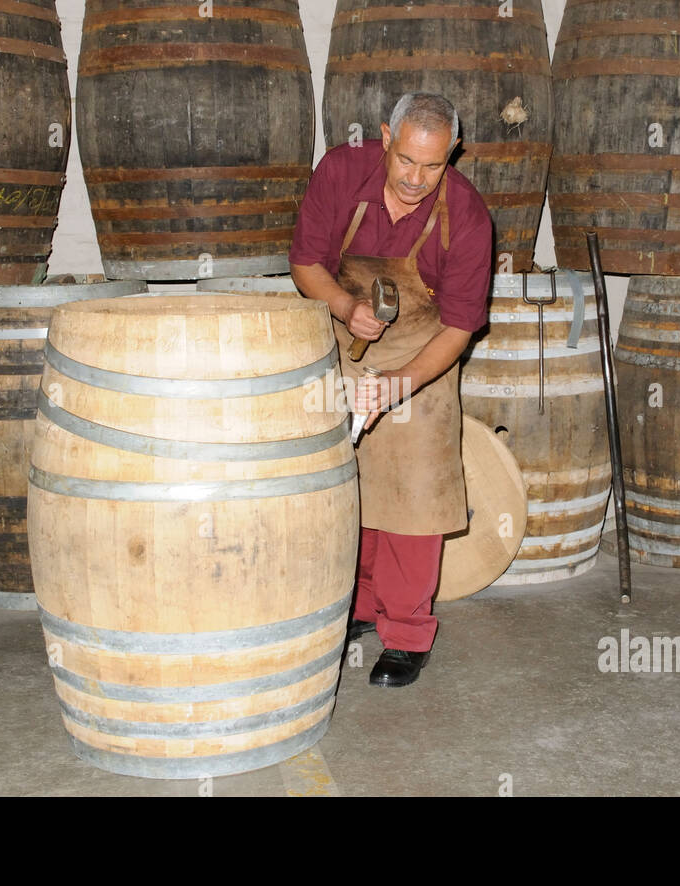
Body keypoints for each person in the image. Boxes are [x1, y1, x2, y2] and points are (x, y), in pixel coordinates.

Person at [289, 92, 493, 688]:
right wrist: (345, 305)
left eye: (433, 165)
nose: (415, 178)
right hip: (342, 339)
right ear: (384, 136)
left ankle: (405, 633)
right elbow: (305, 264)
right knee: (345, 486)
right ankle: (357, 606)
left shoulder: (468, 215)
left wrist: (399, 386)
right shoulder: (340, 172)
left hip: (420, 359)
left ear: (452, 152)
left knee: (414, 495)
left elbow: (459, 326)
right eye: (405, 160)